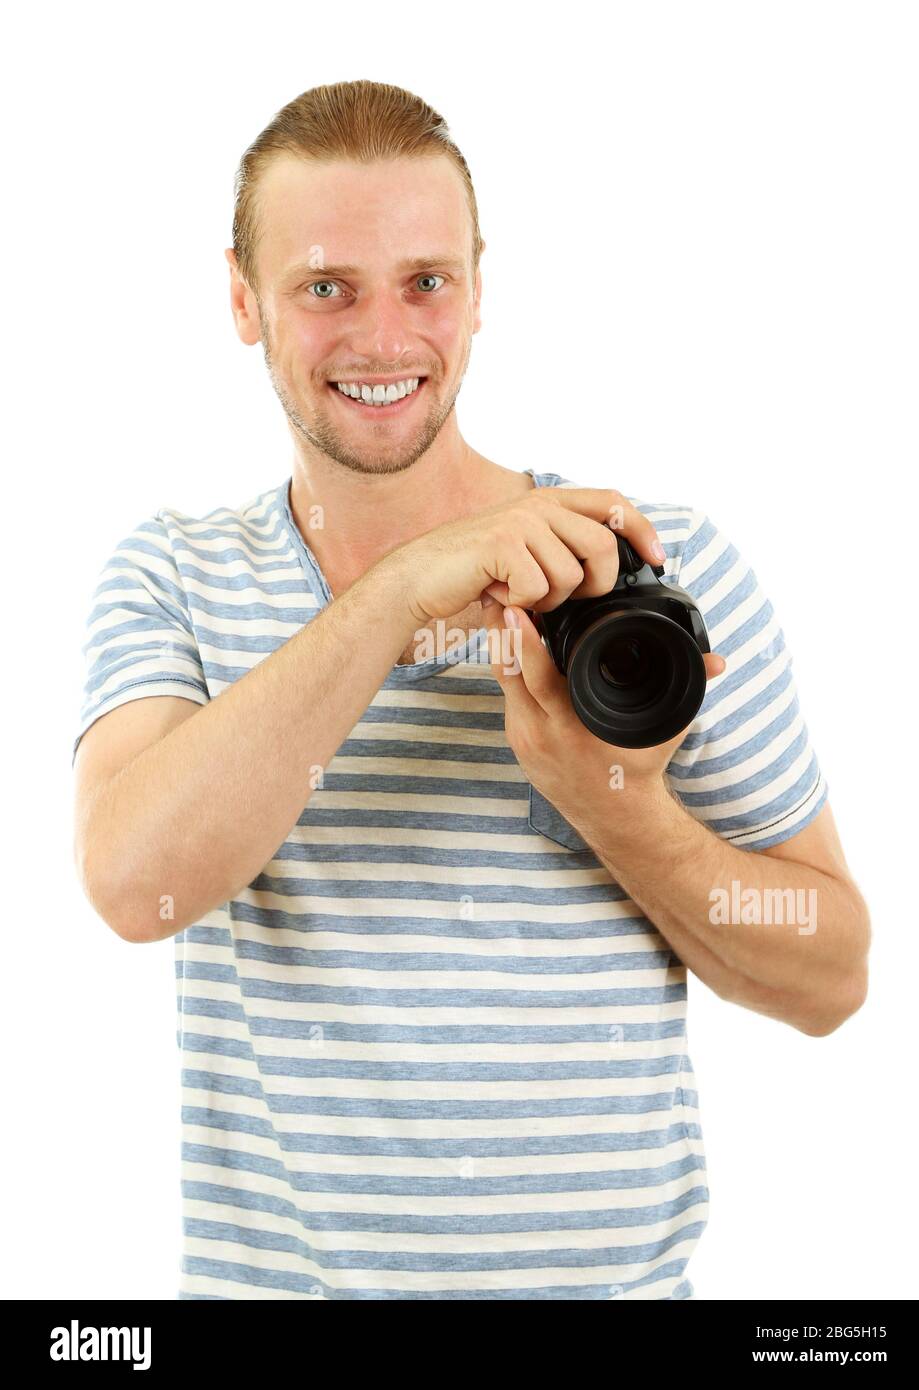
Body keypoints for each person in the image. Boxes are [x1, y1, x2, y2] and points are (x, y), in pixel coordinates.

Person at [72, 79, 870, 1301]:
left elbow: (827, 973)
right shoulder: (173, 574)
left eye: (425, 282)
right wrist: (397, 595)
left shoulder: (647, 569)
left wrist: (613, 801)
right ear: (242, 296)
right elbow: (136, 883)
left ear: (481, 289)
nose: (384, 339)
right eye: (325, 286)